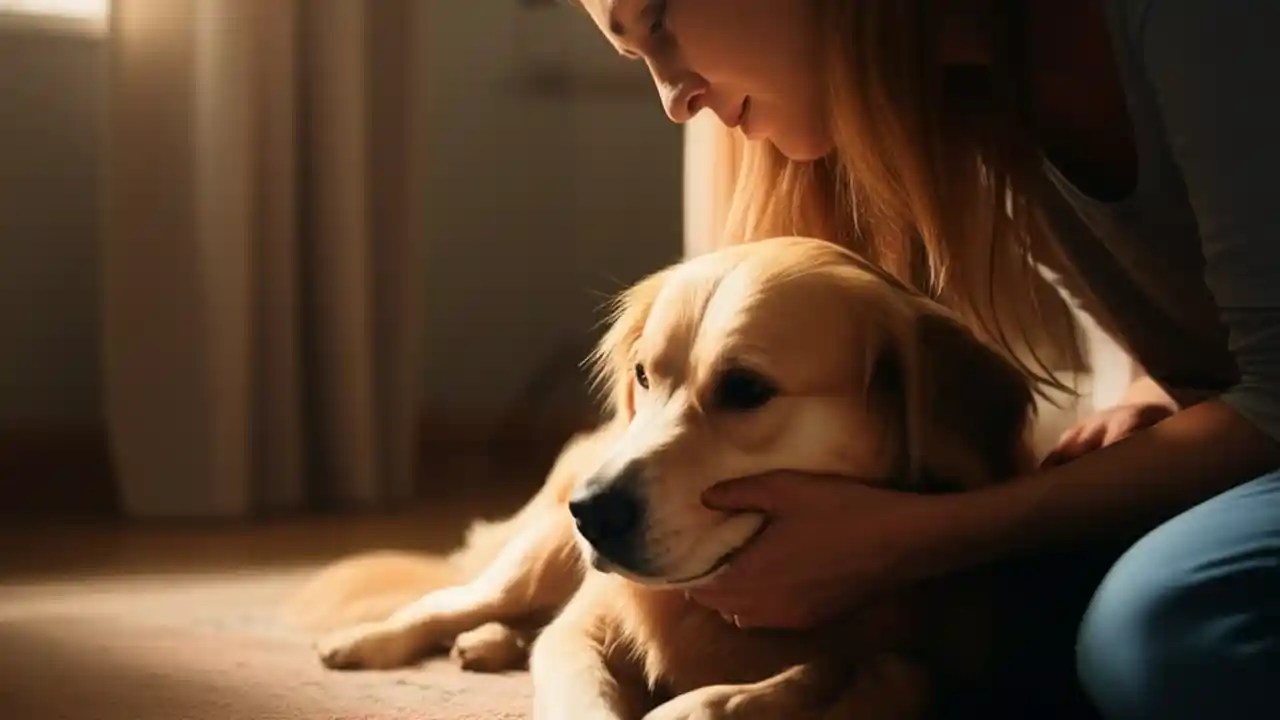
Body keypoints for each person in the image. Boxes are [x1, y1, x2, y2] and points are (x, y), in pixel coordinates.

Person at [574, 1, 1280, 718]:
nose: (674, 100)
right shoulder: (978, 97)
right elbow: (1214, 329)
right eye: (636, 57)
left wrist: (910, 540)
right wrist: (1150, 391)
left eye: (658, 21)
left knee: (1157, 636)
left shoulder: (1203, 18)